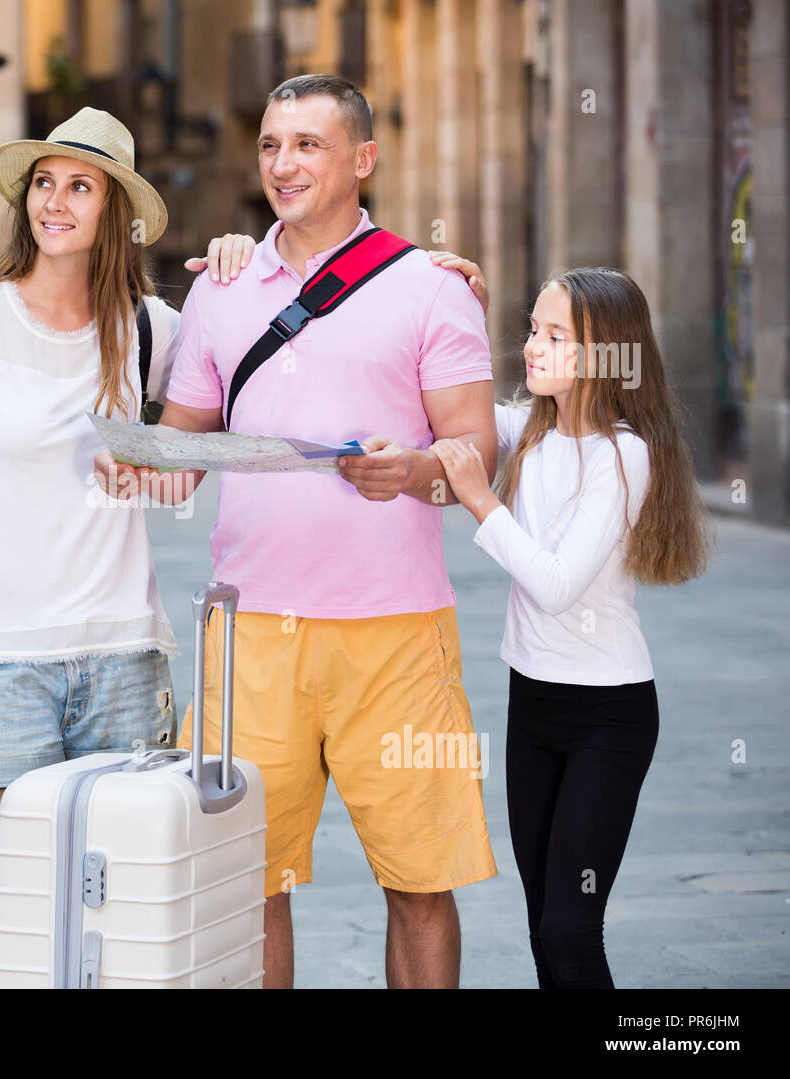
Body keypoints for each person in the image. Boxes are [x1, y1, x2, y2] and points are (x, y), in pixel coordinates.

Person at [95, 74, 500, 989]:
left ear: (364, 159)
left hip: (397, 632)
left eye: (308, 145)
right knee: (247, 880)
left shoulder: (431, 287)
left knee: (420, 880)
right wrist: (136, 466)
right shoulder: (223, 287)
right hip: (249, 637)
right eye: (272, 145)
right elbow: (185, 451)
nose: (283, 163)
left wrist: (415, 470)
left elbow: (476, 447)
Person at [0, 106, 255, 988]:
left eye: (80, 186)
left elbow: (238, 393)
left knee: (119, 915)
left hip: (123, 656)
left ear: (113, 210)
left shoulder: (152, 328)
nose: (54, 201)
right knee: (10, 908)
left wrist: (243, 262)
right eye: (44, 183)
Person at [430, 265, 710, 988]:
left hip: (606, 717)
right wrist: (460, 310)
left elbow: (555, 586)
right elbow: (458, 407)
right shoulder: (529, 432)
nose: (533, 346)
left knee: (570, 929)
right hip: (533, 708)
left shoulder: (624, 455)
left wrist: (480, 501)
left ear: (604, 353)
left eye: (555, 336)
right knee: (541, 929)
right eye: (533, 329)